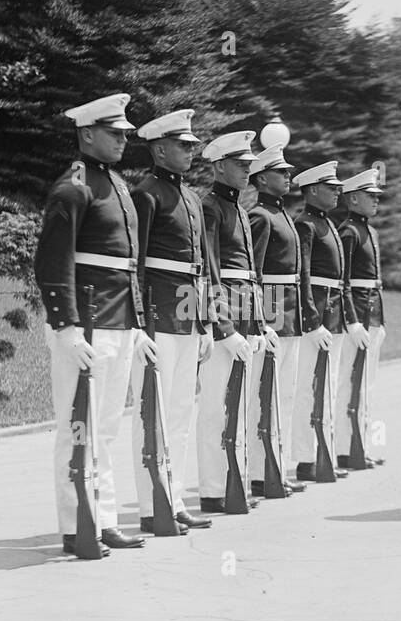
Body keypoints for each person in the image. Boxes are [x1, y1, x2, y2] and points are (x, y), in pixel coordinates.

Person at [33, 93, 156, 557]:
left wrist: (138, 322)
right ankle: (75, 525)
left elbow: (129, 265)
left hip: (118, 322)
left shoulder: (120, 185)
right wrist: (65, 327)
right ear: (87, 134)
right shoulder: (73, 187)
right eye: (114, 132)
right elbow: (52, 262)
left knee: (104, 427)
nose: (123, 140)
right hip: (85, 326)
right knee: (76, 426)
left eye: (126, 133)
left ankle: (102, 521)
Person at [129, 109, 217, 534]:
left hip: (185, 315)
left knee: (181, 411)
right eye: (184, 146)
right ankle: (151, 506)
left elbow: (199, 267)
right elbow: (137, 263)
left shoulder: (192, 198)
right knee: (155, 413)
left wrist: (203, 322)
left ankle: (175, 497)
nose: (191, 151)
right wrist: (140, 324)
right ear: (159, 149)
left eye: (193, 145)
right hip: (157, 314)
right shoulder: (146, 194)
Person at [196, 131, 263, 512]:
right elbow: (211, 269)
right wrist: (224, 327)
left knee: (234, 406)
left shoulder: (237, 207)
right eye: (241, 165)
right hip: (228, 319)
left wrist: (258, 323)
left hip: (246, 313)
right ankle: (211, 488)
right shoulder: (211, 207)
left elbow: (250, 272)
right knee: (215, 405)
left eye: (250, 165)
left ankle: (229, 481)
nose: (247, 171)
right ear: (219, 166)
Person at [291, 161, 365, 481]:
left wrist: (350, 320)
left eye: (338, 187)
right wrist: (311, 320)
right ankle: (307, 458)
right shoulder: (305, 224)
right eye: (330, 187)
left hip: (332, 316)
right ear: (311, 191)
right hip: (317, 318)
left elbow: (342, 280)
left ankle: (324, 452)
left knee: (328, 386)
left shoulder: (329, 224)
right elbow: (302, 276)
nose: (337, 191)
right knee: (309, 387)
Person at [246, 143, 307, 497]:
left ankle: (277, 467)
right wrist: (261, 320)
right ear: (262, 179)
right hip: (272, 311)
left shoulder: (283, 215)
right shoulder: (261, 217)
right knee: (265, 397)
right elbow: (253, 273)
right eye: (281, 172)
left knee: (284, 395)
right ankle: (259, 471)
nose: (287, 176)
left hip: (291, 314)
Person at [335, 167, 387, 469]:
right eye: (370, 196)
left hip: (374, 315)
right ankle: (345, 448)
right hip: (359, 314)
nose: (376, 200)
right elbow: (343, 281)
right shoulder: (349, 232)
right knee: (350, 383)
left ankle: (361, 446)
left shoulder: (370, 230)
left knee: (366, 385)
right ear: (353, 199)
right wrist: (352, 320)